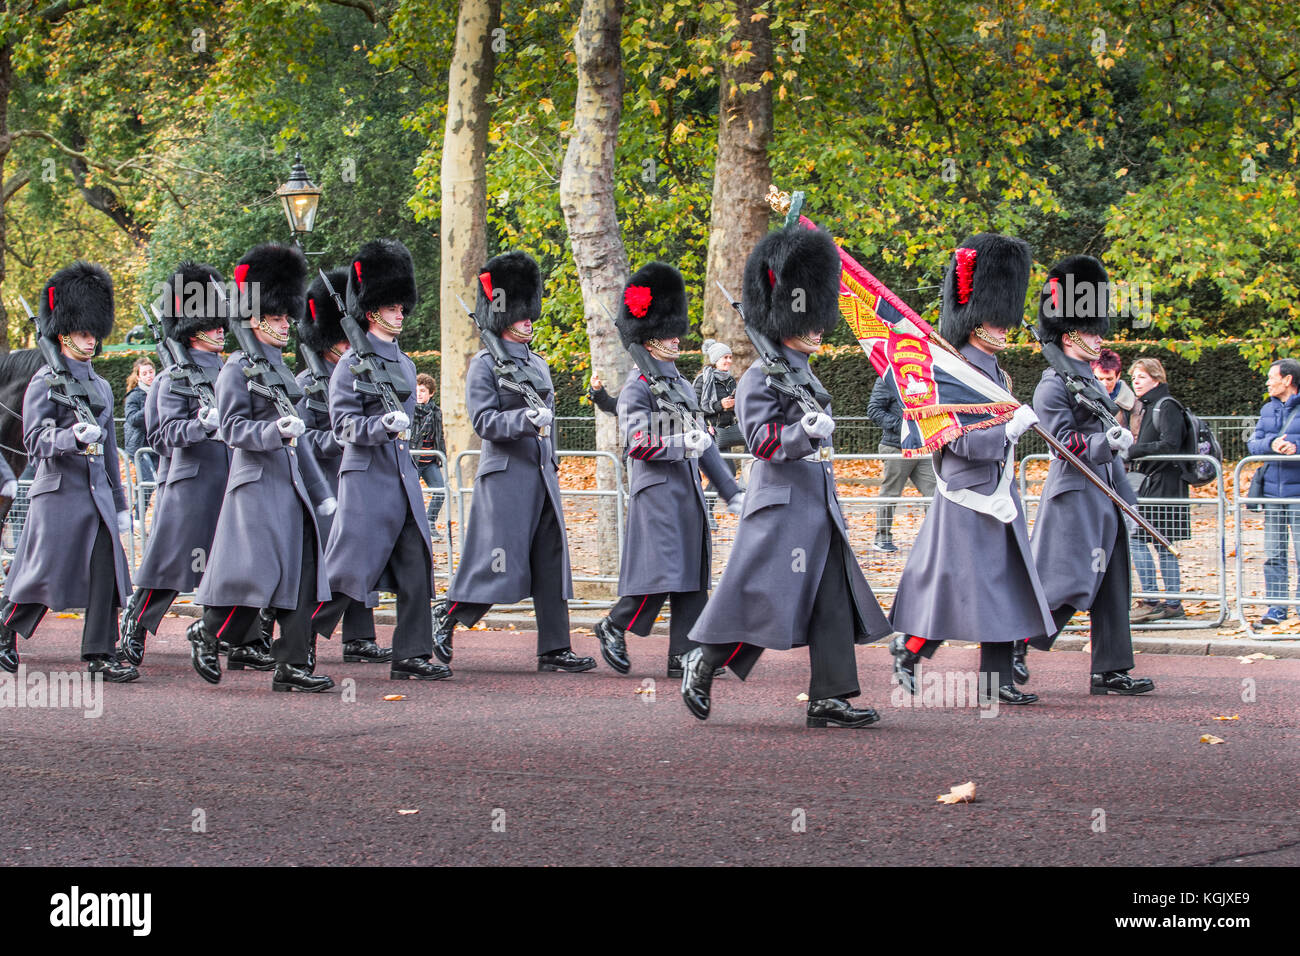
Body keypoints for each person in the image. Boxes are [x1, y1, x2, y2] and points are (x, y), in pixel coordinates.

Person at [681, 226, 891, 728]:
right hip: (781, 505)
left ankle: (829, 697)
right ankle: (703, 659)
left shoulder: (801, 370)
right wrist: (804, 432)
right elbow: (762, 443)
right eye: (810, 319)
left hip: (816, 504)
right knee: (762, 596)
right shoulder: (759, 375)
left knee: (832, 600)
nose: (819, 329)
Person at [888, 233, 1052, 706]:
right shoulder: (950, 371)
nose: (1006, 329)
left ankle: (996, 680)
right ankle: (910, 645)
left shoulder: (997, 374)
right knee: (957, 582)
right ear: (977, 321)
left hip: (998, 490)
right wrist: (1008, 433)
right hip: (966, 492)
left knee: (1003, 584)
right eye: (998, 321)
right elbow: (952, 440)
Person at [431, 251, 596, 674]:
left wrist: (551, 454)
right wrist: (525, 418)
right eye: (520, 314)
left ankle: (554, 648)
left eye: (528, 313)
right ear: (503, 315)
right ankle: (446, 616)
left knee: (550, 559)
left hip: (541, 474)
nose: (528, 320)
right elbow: (484, 421)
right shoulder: (483, 365)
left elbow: (551, 423)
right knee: (496, 560)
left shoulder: (537, 363)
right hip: (506, 477)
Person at [187, 243, 335, 693]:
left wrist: (320, 491)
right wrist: (274, 433)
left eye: (288, 317)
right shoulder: (235, 367)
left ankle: (290, 665)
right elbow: (232, 429)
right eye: (279, 318)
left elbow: (298, 438)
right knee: (255, 575)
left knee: (303, 575)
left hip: (289, 486)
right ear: (256, 318)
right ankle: (207, 633)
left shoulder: (280, 368)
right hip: (254, 485)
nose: (287, 325)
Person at [591, 263, 743, 678]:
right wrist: (681, 443)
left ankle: (685, 654)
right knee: (662, 574)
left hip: (687, 492)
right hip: (656, 492)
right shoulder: (638, 388)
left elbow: (707, 445)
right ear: (650, 337)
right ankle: (612, 625)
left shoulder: (682, 385)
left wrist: (732, 491)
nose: (677, 337)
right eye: (669, 332)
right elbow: (638, 443)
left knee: (692, 577)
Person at [310, 239, 448, 680]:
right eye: (392, 308)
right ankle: (295, 641)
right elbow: (344, 427)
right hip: (367, 481)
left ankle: (410, 655)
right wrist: (379, 427)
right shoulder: (350, 365)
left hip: (402, 479)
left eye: (401, 307)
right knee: (348, 576)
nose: (401, 314)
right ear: (372, 312)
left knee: (414, 570)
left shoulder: (406, 365)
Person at [0, 262, 137, 681]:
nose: (91, 340)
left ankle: (100, 653)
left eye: (94, 333)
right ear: (63, 333)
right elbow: (35, 440)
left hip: (94, 493)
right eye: (83, 333)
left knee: (106, 574)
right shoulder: (45, 379)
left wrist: (119, 503)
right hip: (58, 492)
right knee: (45, 574)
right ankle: (5, 630)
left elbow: (110, 452)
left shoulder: (100, 386)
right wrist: (71, 438)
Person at [1026, 255, 1155, 696]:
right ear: (1067, 334)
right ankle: (1018, 646)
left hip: (1105, 492)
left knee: (1113, 584)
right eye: (1090, 332)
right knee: (1068, 582)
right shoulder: (1052, 383)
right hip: (1076, 493)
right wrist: (1106, 444)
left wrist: (1126, 498)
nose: (1099, 339)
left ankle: (1111, 668)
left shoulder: (1089, 379)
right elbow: (1061, 443)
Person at [118, 262, 242, 668]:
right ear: (193, 329)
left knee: (232, 562)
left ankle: (236, 639)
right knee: (172, 564)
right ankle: (135, 625)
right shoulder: (172, 377)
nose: (222, 330)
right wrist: (199, 425)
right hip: (189, 484)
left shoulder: (229, 370)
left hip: (228, 478)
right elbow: (162, 435)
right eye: (213, 324)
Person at [292, 266, 385, 665]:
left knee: (360, 557)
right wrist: (335, 439)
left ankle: (360, 636)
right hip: (323, 481)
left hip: (357, 476)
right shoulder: (306, 383)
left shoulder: (361, 372)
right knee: (332, 562)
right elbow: (302, 437)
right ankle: (295, 632)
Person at [1126, 358, 1190, 622]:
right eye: (1133, 377)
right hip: (1155, 482)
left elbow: (1170, 444)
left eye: (1141, 376)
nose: (1135, 382)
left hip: (1165, 484)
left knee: (1147, 541)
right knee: (1160, 543)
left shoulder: (1166, 406)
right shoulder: (1150, 406)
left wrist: (1132, 450)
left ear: (1156, 378)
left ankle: (1159, 601)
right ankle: (1168, 603)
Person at [1246, 357, 1300, 626]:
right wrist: (1272, 444)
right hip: (1272, 493)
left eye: (1271, 377)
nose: (1267, 382)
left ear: (1287, 380)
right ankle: (1277, 609)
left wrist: (1295, 448)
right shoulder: (1267, 409)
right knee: (1273, 554)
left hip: (1298, 494)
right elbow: (1253, 444)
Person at [866, 372, 935, 553]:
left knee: (934, 494)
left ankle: (933, 538)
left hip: (922, 447)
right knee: (891, 493)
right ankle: (882, 538)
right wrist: (904, 427)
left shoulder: (927, 377)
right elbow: (874, 410)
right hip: (896, 446)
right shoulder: (887, 378)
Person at [411, 372, 447, 538]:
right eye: (417, 390)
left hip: (429, 460)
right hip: (414, 460)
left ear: (431, 393)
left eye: (423, 391)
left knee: (440, 490)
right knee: (409, 494)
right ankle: (410, 527)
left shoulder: (436, 412)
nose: (419, 393)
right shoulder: (410, 410)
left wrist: (441, 457)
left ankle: (429, 522)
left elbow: (439, 435)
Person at [123, 356, 158, 521]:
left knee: (160, 481)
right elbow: (133, 419)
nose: (149, 375)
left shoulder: (160, 391)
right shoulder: (134, 396)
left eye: (151, 372)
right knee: (148, 482)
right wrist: (150, 406)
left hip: (156, 445)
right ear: (138, 376)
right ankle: (137, 520)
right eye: (144, 373)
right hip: (139, 446)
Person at [1090, 348, 1135, 430]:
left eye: (1109, 379)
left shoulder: (1133, 404)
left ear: (1118, 376)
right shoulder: (1080, 398)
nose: (1104, 384)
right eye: (1099, 379)